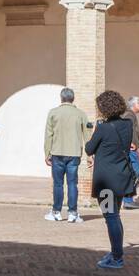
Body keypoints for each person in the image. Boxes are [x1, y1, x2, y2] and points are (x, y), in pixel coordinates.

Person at [84, 89, 137, 271]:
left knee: (110, 217)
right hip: (122, 177)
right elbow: (116, 146)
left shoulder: (103, 128)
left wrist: (95, 133)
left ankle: (117, 257)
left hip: (105, 182)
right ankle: (116, 252)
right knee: (115, 216)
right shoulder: (127, 124)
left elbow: (89, 149)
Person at [43, 86, 92, 223]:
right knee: (72, 184)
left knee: (58, 184)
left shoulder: (53, 113)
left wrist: (47, 153)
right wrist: (90, 155)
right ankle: (73, 213)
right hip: (74, 154)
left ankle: (56, 212)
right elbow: (87, 135)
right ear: (73, 98)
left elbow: (48, 135)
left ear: (61, 98)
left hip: (57, 153)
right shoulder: (81, 114)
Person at [122, 95, 139, 209]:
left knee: (135, 175)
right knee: (136, 175)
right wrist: (129, 143)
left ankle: (128, 199)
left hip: (133, 149)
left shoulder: (130, 114)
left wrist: (137, 148)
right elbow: (126, 130)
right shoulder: (129, 115)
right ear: (134, 105)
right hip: (130, 150)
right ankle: (127, 200)